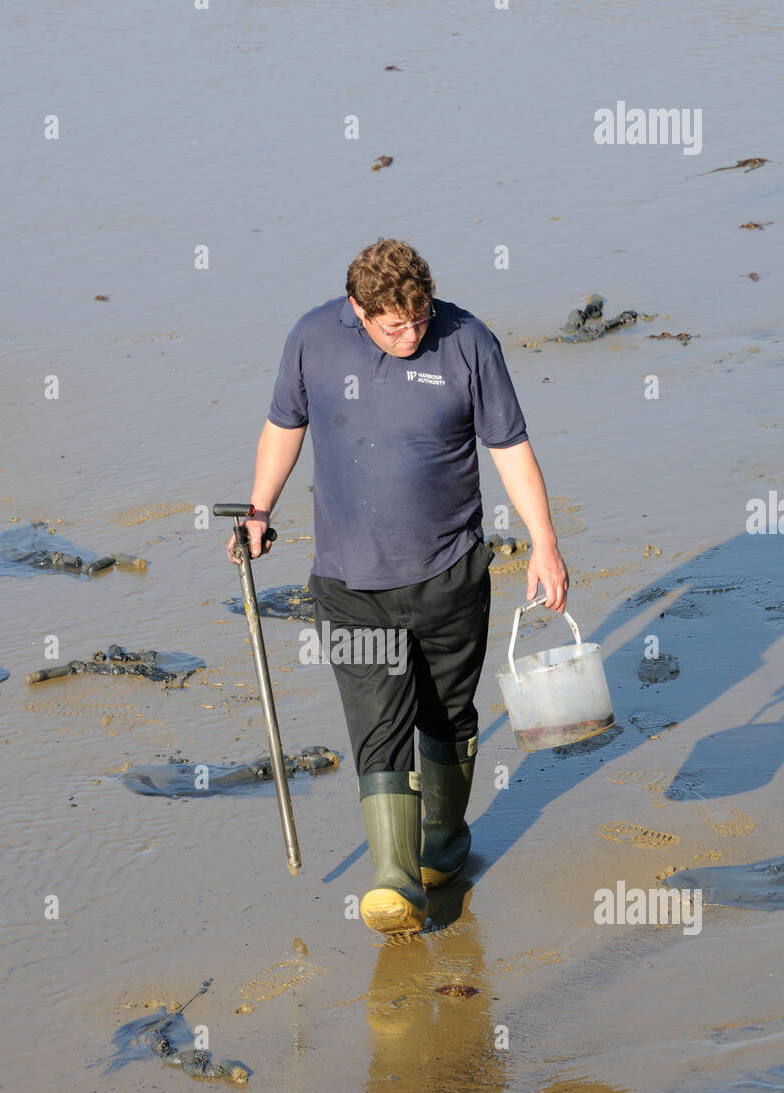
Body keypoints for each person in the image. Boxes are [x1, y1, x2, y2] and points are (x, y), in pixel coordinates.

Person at [227, 238, 568, 935]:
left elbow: (508, 447)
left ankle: (442, 844)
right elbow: (282, 426)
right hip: (351, 584)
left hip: (450, 574)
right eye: (392, 326)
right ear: (358, 310)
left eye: (418, 320)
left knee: (447, 716)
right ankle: (393, 878)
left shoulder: (468, 340)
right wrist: (258, 509)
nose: (410, 335)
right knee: (378, 725)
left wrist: (545, 544)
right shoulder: (313, 338)